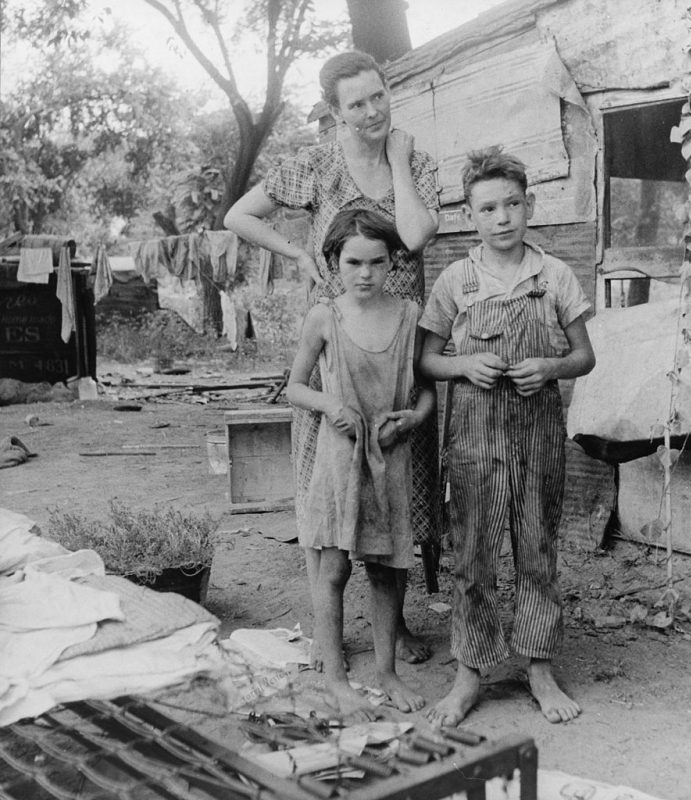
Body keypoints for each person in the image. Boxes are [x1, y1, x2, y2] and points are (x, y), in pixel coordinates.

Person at [224, 50, 440, 666]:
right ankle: (329, 631)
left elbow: (415, 236)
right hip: (337, 343)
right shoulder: (316, 165)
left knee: (396, 479)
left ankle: (394, 626)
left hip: (398, 344)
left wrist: (396, 161)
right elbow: (238, 215)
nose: (372, 112)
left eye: (379, 96)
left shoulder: (417, 162)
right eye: (356, 104)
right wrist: (296, 253)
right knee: (328, 480)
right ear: (334, 111)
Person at [419, 147, 595, 726]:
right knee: (472, 556)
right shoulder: (456, 280)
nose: (502, 218)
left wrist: (550, 367)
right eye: (488, 208)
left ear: (530, 206)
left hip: (538, 435)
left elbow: (584, 356)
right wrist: (463, 366)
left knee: (537, 551)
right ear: (470, 216)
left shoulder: (554, 275)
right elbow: (426, 359)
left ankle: (539, 668)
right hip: (474, 440)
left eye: (512, 204)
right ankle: (469, 674)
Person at [286, 209, 435, 719]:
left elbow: (427, 390)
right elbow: (295, 387)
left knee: (387, 571)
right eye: (353, 262)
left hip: (390, 457)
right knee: (333, 567)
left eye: (377, 262)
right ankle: (336, 680)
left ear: (393, 262)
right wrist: (330, 404)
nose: (365, 273)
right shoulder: (325, 317)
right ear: (334, 262)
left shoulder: (410, 315)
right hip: (339, 459)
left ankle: (387, 673)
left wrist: (413, 418)